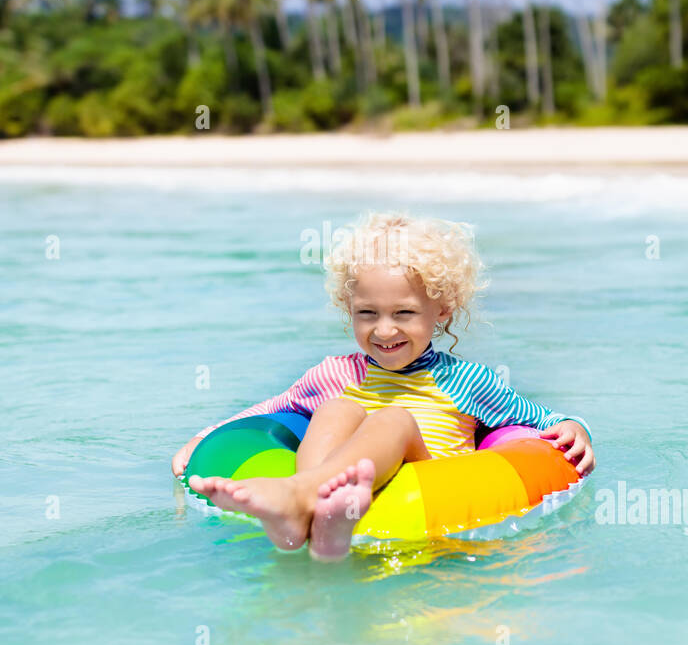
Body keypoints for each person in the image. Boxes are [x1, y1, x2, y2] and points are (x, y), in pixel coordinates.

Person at [172, 210, 595, 560]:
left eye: (405, 313)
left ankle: (300, 498)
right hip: (341, 491)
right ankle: (310, 510)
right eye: (367, 313)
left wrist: (577, 428)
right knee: (337, 410)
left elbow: (540, 421)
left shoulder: (466, 381)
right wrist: (205, 438)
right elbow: (266, 414)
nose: (384, 329)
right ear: (348, 307)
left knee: (393, 420)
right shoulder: (334, 375)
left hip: (424, 497)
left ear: (442, 310)